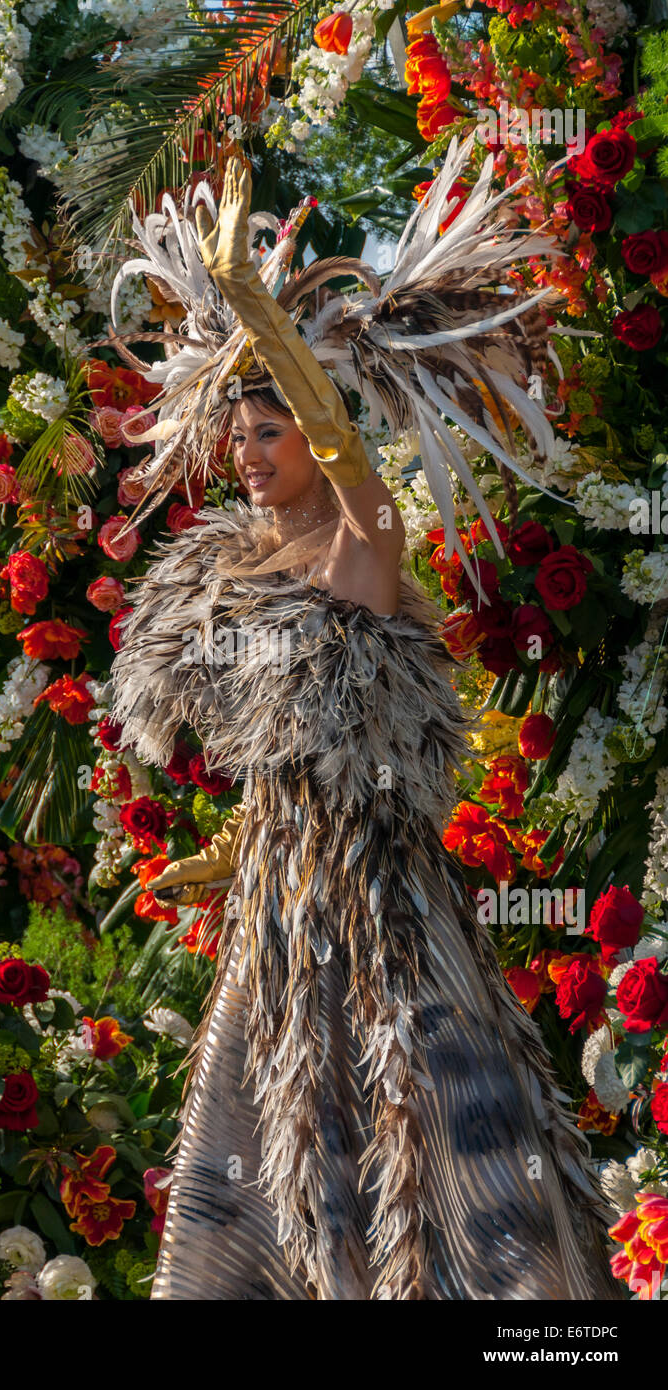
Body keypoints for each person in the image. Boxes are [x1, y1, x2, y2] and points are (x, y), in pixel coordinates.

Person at [106, 151, 623, 1299]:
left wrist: (245, 292)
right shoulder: (238, 568)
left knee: (425, 1128)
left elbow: (342, 439)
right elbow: (281, 752)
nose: (248, 454)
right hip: (276, 904)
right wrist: (233, 848)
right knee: (261, 1143)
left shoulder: (362, 539)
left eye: (270, 431)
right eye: (238, 435)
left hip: (382, 898)